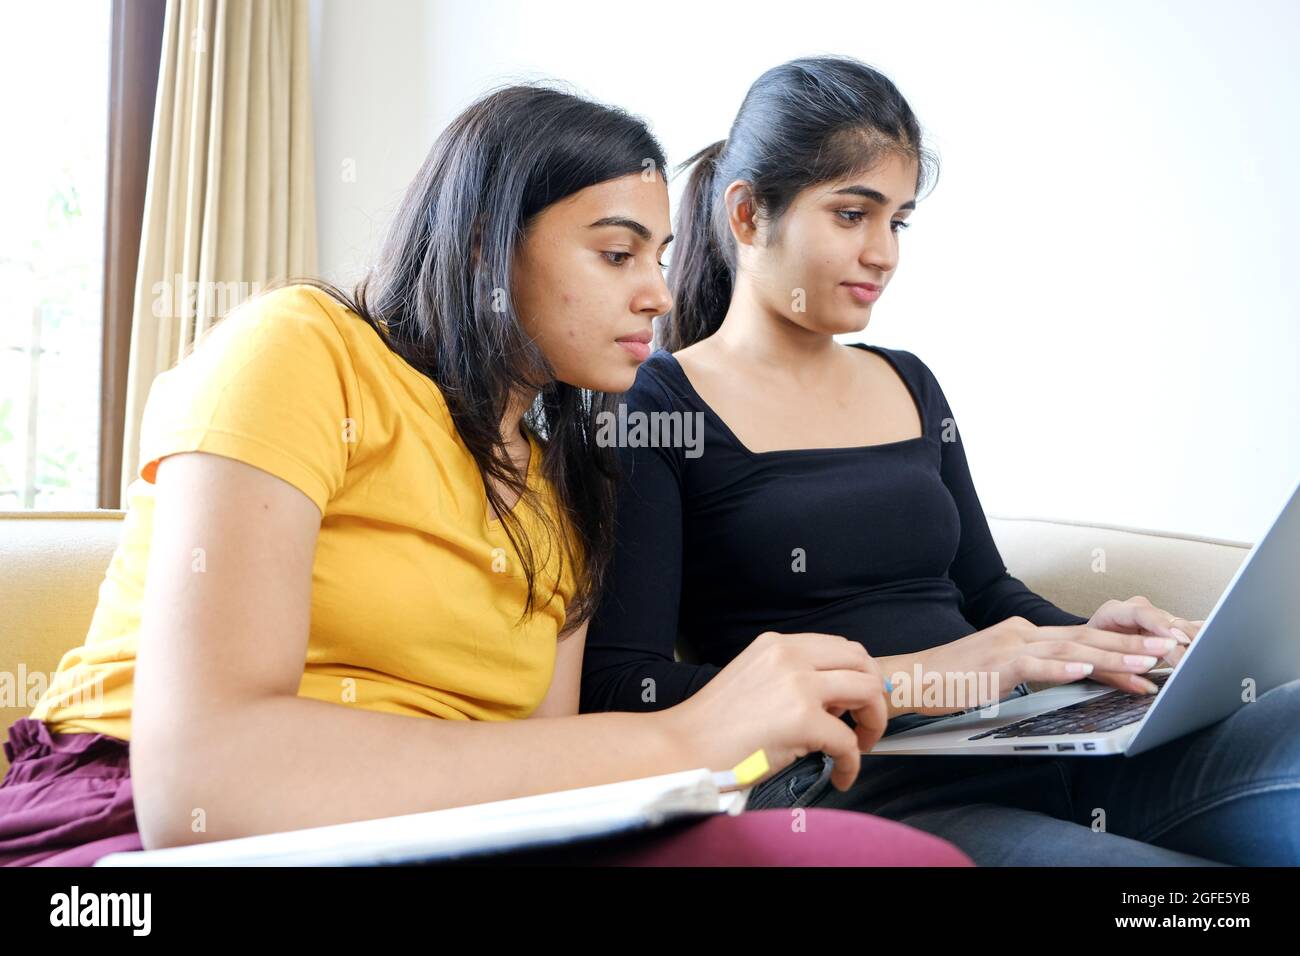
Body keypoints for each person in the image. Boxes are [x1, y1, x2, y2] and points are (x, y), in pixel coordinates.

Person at [0, 84, 971, 868]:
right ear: (481, 248)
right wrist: (686, 733)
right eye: (615, 251)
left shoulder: (572, 478)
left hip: (448, 829)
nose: (658, 293)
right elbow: (207, 786)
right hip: (131, 800)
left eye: (661, 255)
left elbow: (536, 759)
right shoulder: (299, 349)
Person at [580, 55, 1300, 866]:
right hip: (871, 790)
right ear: (747, 216)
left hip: (1035, 746)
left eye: (899, 220)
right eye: (853, 214)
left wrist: (1092, 642)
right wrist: (934, 676)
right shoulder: (656, 407)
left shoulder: (908, 381)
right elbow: (626, 687)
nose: (884, 253)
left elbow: (987, 594)